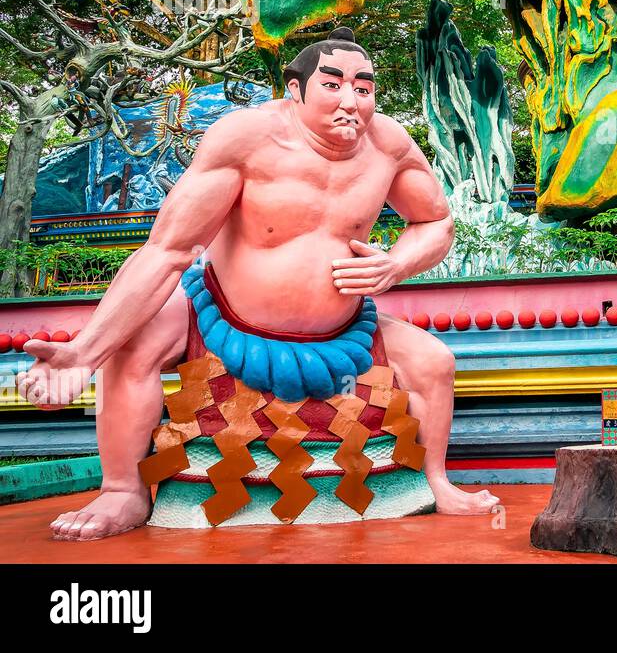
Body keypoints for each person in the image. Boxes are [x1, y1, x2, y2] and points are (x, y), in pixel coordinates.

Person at [18, 28, 499, 540]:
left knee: (435, 362)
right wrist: (84, 353)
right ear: (294, 90)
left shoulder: (388, 144)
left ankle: (436, 483)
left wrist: (395, 265)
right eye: (332, 85)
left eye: (364, 88)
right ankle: (122, 490)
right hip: (218, 316)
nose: (351, 102)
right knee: (133, 343)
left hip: (344, 333)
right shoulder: (247, 137)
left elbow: (436, 223)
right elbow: (167, 252)